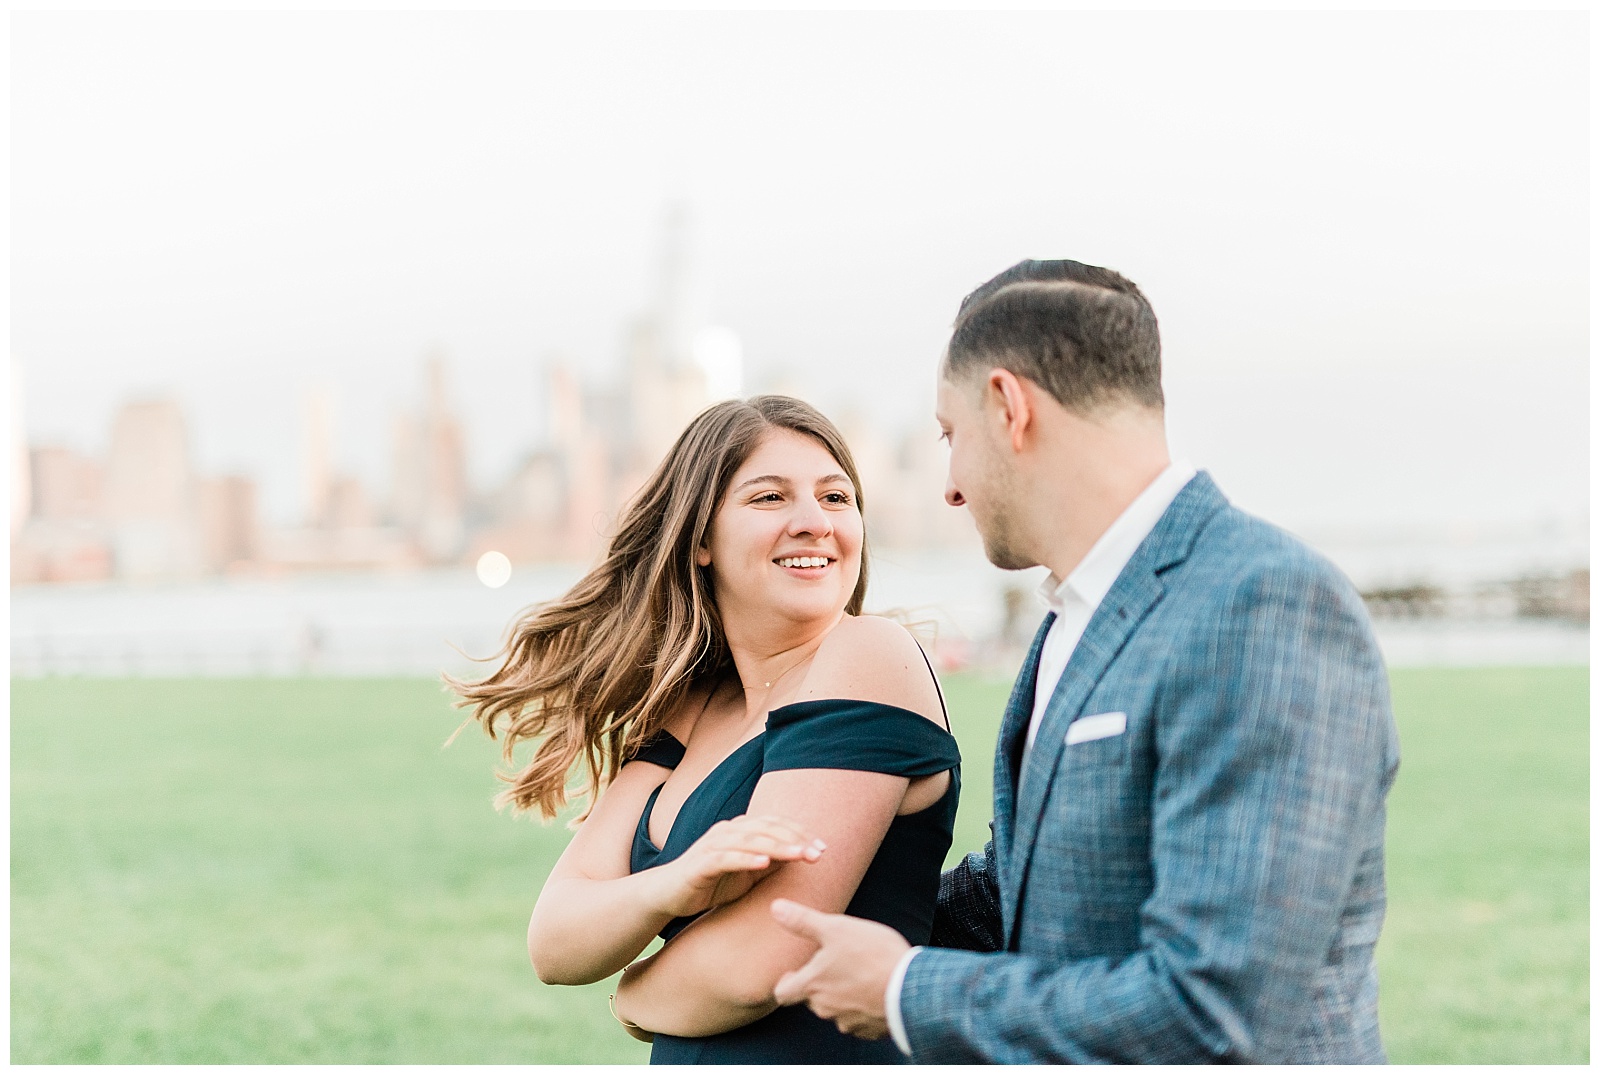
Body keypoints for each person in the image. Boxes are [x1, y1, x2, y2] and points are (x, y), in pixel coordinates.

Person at [768, 259, 1401, 1063]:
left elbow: (1217, 1010)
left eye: (951, 436)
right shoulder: (1073, 616)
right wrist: (783, 930)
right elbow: (1026, 886)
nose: (951, 487)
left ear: (1010, 407)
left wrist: (904, 989)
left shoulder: (1264, 603)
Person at [451, 395, 960, 1064]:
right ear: (700, 540)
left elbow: (759, 965)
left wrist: (631, 993)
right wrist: (672, 884)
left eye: (836, 498)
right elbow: (555, 941)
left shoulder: (871, 656)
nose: (814, 522)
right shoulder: (694, 706)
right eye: (770, 497)